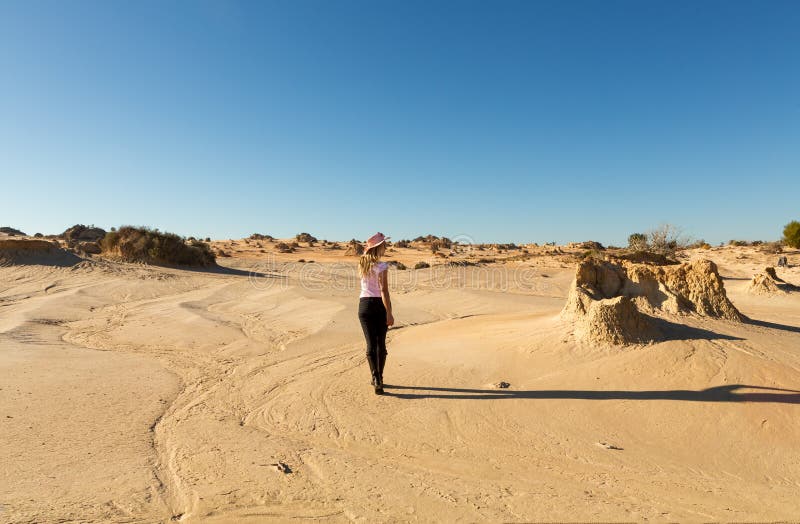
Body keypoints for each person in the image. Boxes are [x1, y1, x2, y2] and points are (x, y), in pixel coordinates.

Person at [357, 232, 394, 394]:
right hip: (378, 305)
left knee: (371, 344)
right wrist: (389, 313)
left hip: (364, 306)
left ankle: (375, 377)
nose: (386, 248)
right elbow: (384, 291)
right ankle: (380, 378)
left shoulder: (362, 263)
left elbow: (366, 255)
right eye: (384, 245)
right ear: (379, 248)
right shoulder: (382, 266)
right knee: (381, 344)